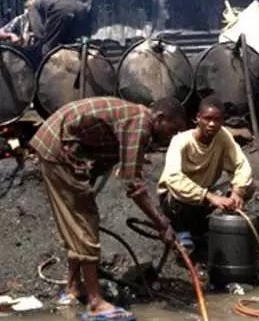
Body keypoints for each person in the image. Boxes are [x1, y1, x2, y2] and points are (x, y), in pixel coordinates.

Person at [29, 96, 187, 321]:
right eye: (174, 128)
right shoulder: (140, 125)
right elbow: (133, 185)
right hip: (58, 149)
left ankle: (74, 287)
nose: (174, 135)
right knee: (85, 224)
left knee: (79, 222)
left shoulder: (136, 118)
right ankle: (95, 303)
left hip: (58, 145)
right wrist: (162, 225)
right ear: (161, 118)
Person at [157, 96, 254, 253]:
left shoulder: (222, 136)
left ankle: (213, 227)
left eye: (217, 120)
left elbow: (241, 164)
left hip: (203, 197)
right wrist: (210, 197)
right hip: (177, 200)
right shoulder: (181, 141)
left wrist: (237, 192)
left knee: (248, 187)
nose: (212, 124)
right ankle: (182, 231)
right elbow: (173, 179)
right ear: (198, 118)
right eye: (207, 119)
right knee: (177, 198)